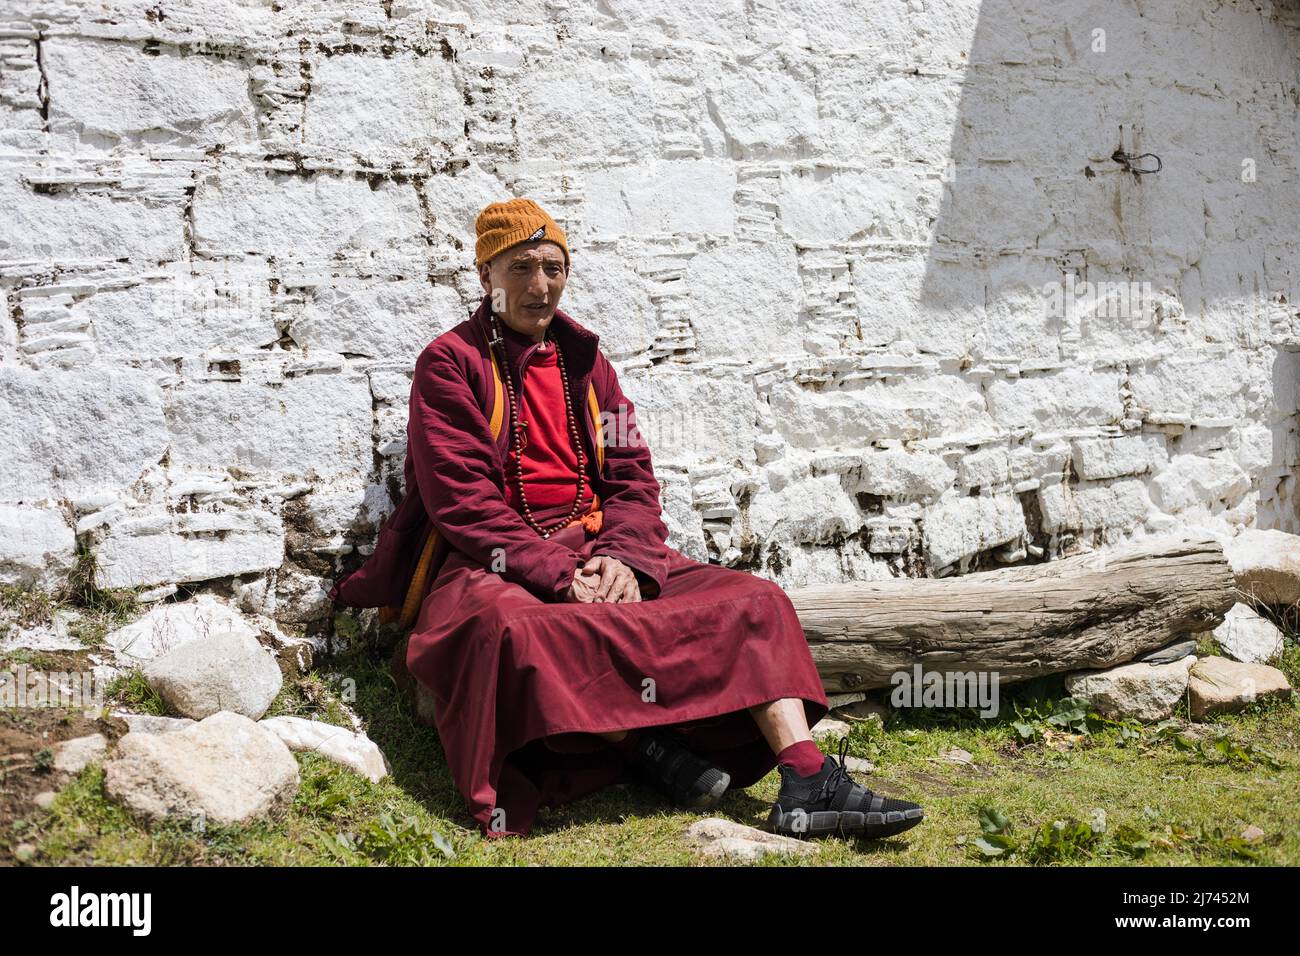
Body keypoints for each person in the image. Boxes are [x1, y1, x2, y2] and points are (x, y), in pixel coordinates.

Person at [331, 196, 925, 841]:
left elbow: (631, 474)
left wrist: (625, 557)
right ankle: (648, 752)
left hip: (604, 548)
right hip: (493, 561)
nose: (540, 285)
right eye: (522, 267)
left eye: (553, 266)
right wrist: (560, 574)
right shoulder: (450, 363)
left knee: (755, 600)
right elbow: (463, 500)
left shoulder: (588, 364)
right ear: (486, 276)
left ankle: (808, 778)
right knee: (518, 630)